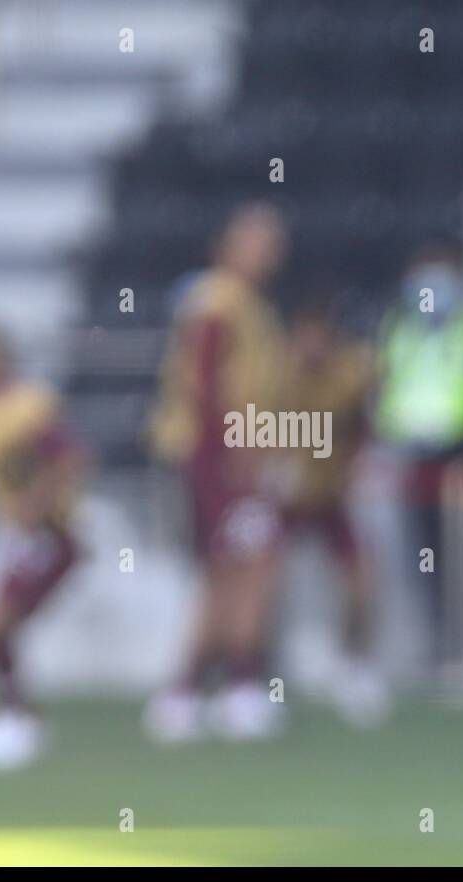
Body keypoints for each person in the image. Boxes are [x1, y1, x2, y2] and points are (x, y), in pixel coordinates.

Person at [144, 201, 288, 742]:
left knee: (229, 569)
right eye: (259, 239)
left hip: (233, 450)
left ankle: (187, 693)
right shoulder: (217, 301)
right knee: (252, 563)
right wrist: (234, 449)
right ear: (228, 244)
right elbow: (202, 380)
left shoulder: (251, 306)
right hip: (216, 453)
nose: (271, 250)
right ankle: (239, 688)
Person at [0, 323, 86, 771]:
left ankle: (18, 719)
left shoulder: (26, 404)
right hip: (19, 537)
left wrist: (36, 506)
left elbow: (68, 457)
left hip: (47, 535)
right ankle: (14, 717)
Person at [374, 241, 463, 668]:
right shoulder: (400, 325)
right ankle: (441, 650)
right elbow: (385, 385)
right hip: (413, 462)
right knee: (425, 560)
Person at [278, 291, 387, 726]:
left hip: (329, 494)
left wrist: (357, 464)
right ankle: (250, 677)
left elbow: (364, 424)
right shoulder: (275, 371)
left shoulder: (352, 370)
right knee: (257, 581)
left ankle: (353, 665)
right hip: (281, 496)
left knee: (361, 580)